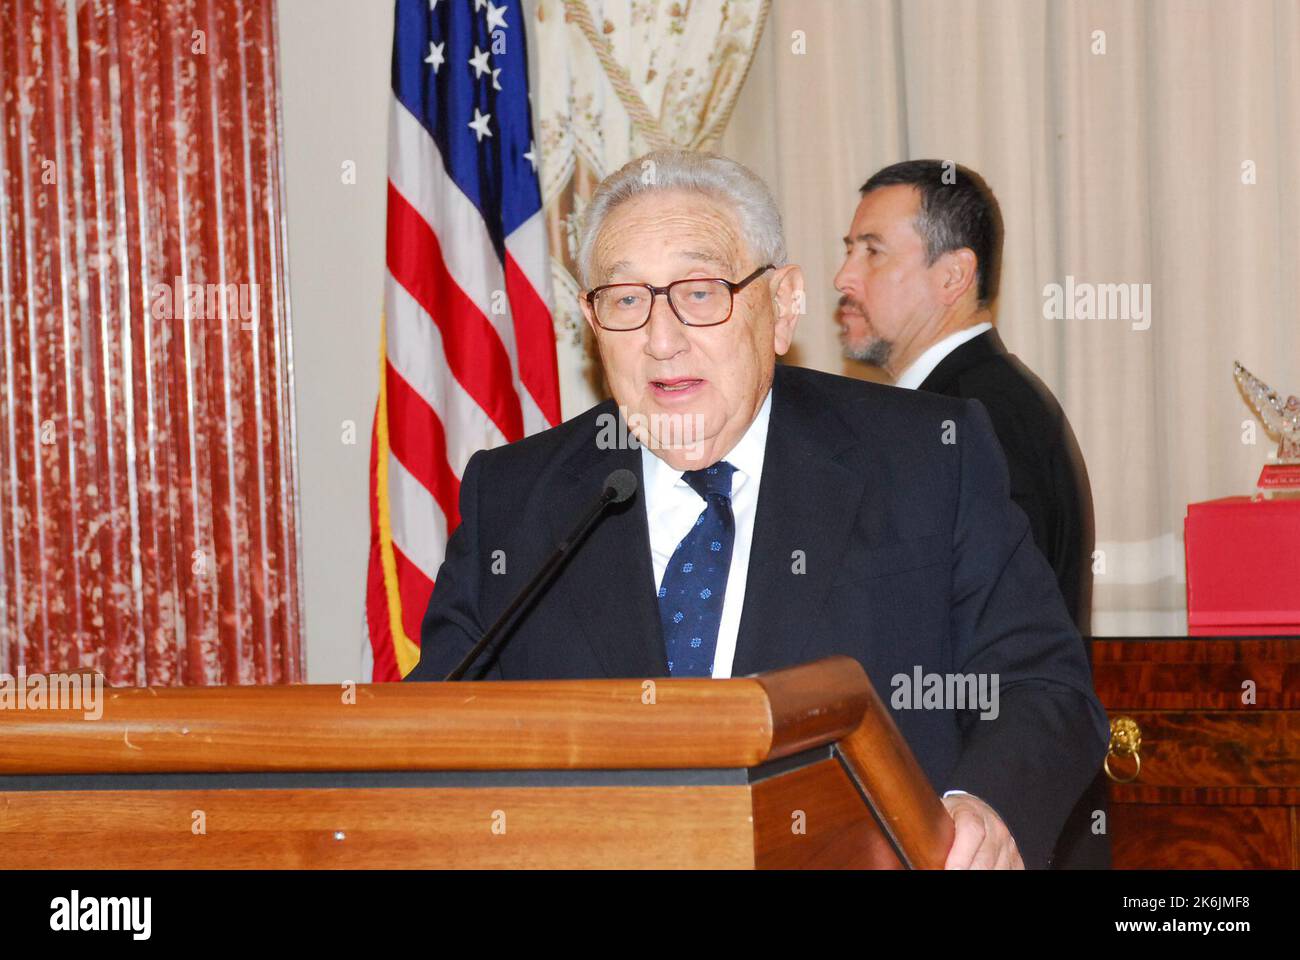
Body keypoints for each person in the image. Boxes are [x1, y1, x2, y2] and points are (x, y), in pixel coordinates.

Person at [407, 149, 1108, 871]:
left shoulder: (926, 457)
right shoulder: (518, 497)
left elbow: (1041, 684)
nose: (661, 338)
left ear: (782, 305)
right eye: (624, 300)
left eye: (702, 292)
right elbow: (433, 735)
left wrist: (984, 807)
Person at [833, 159, 1106, 868]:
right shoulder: (978, 402)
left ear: (953, 276)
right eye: (847, 250)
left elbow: (1013, 664)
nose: (844, 278)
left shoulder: (967, 422)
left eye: (872, 251)